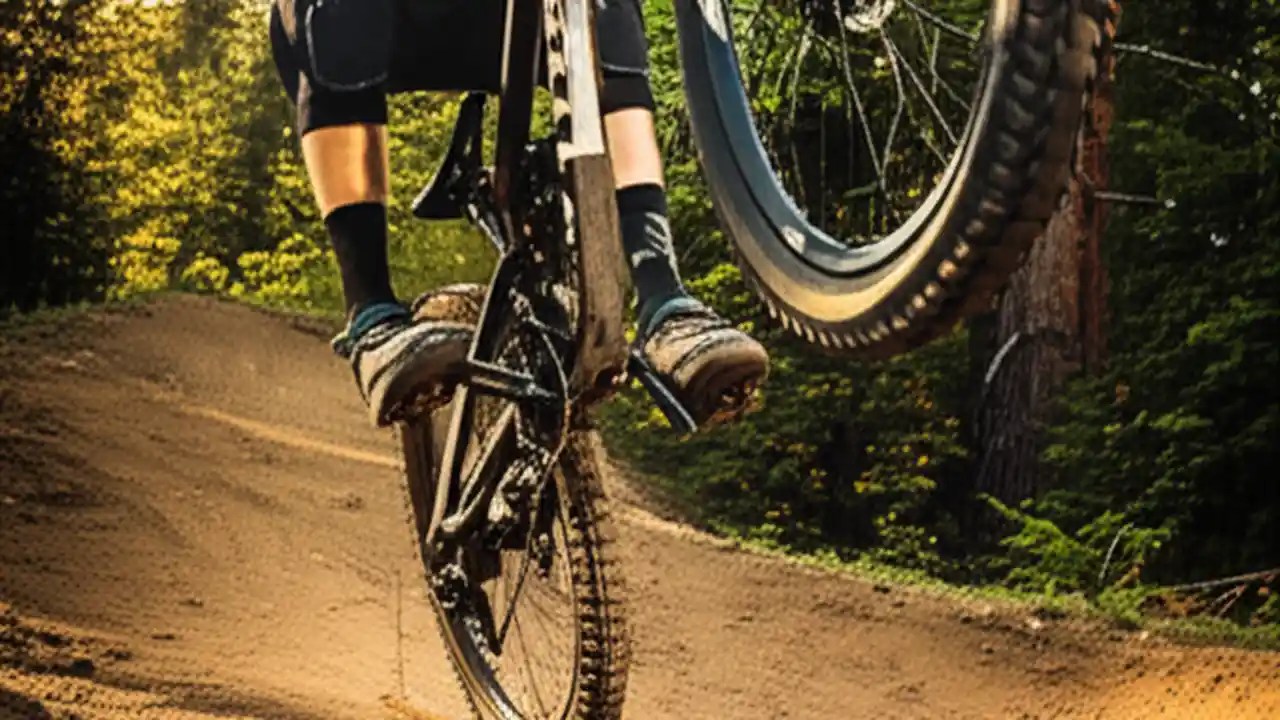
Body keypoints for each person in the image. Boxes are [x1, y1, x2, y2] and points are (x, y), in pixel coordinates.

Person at [269, 0, 768, 427]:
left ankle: (665, 305)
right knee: (338, 16)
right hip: (387, 28)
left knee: (608, 10)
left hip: (520, 23)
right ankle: (372, 316)